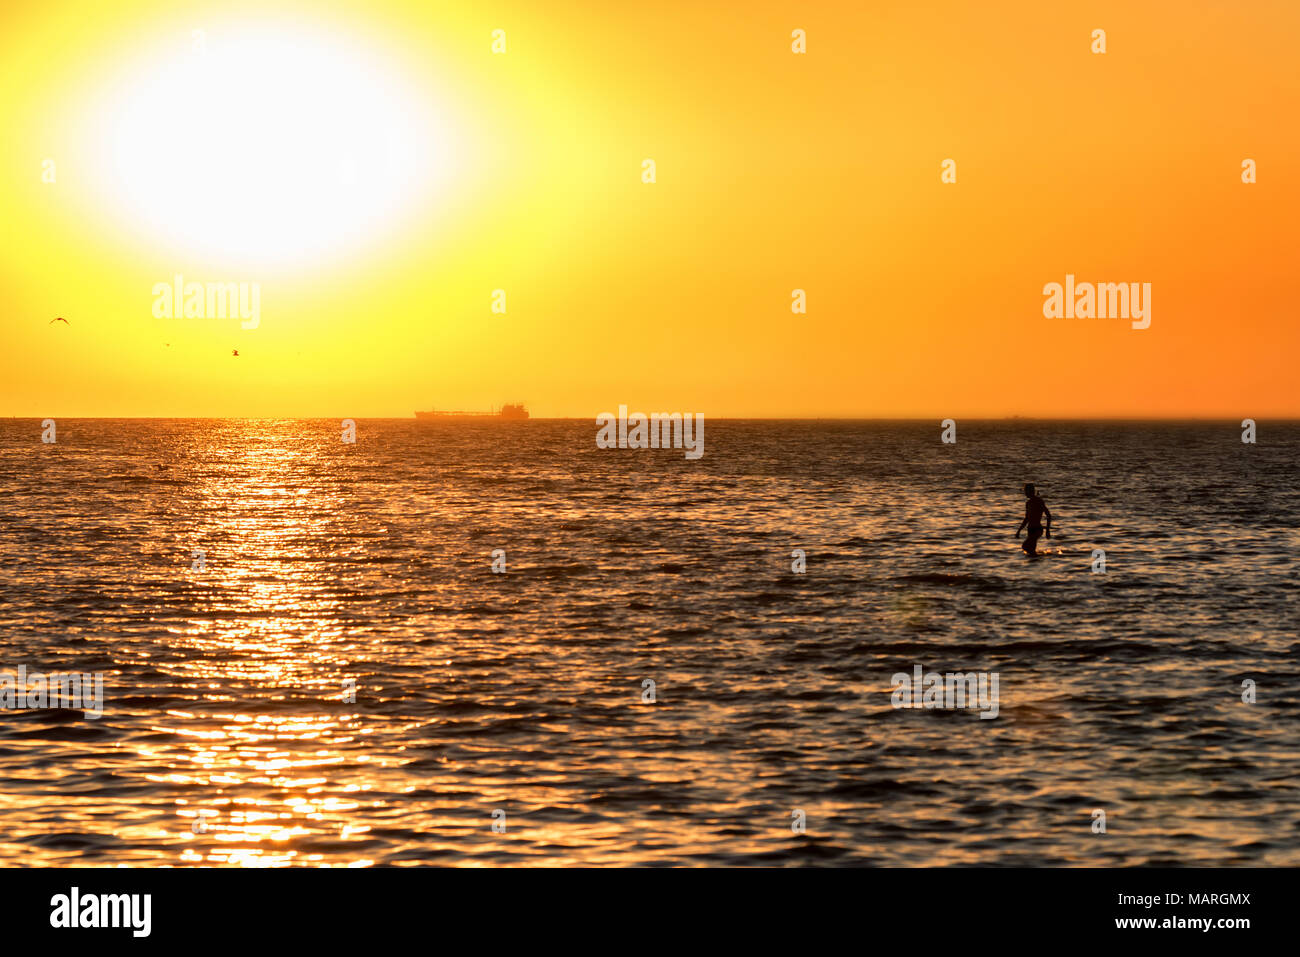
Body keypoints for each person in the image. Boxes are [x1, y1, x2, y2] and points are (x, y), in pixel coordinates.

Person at [1015, 483, 1051, 556]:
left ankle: (1041, 561)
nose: (1025, 493)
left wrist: (1047, 530)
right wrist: (1019, 530)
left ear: (1031, 491)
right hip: (1030, 529)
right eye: (1025, 491)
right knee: (1031, 551)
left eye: (1026, 491)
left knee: (1025, 546)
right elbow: (1026, 519)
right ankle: (1036, 564)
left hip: (1037, 529)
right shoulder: (1028, 503)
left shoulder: (1039, 501)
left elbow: (1048, 515)